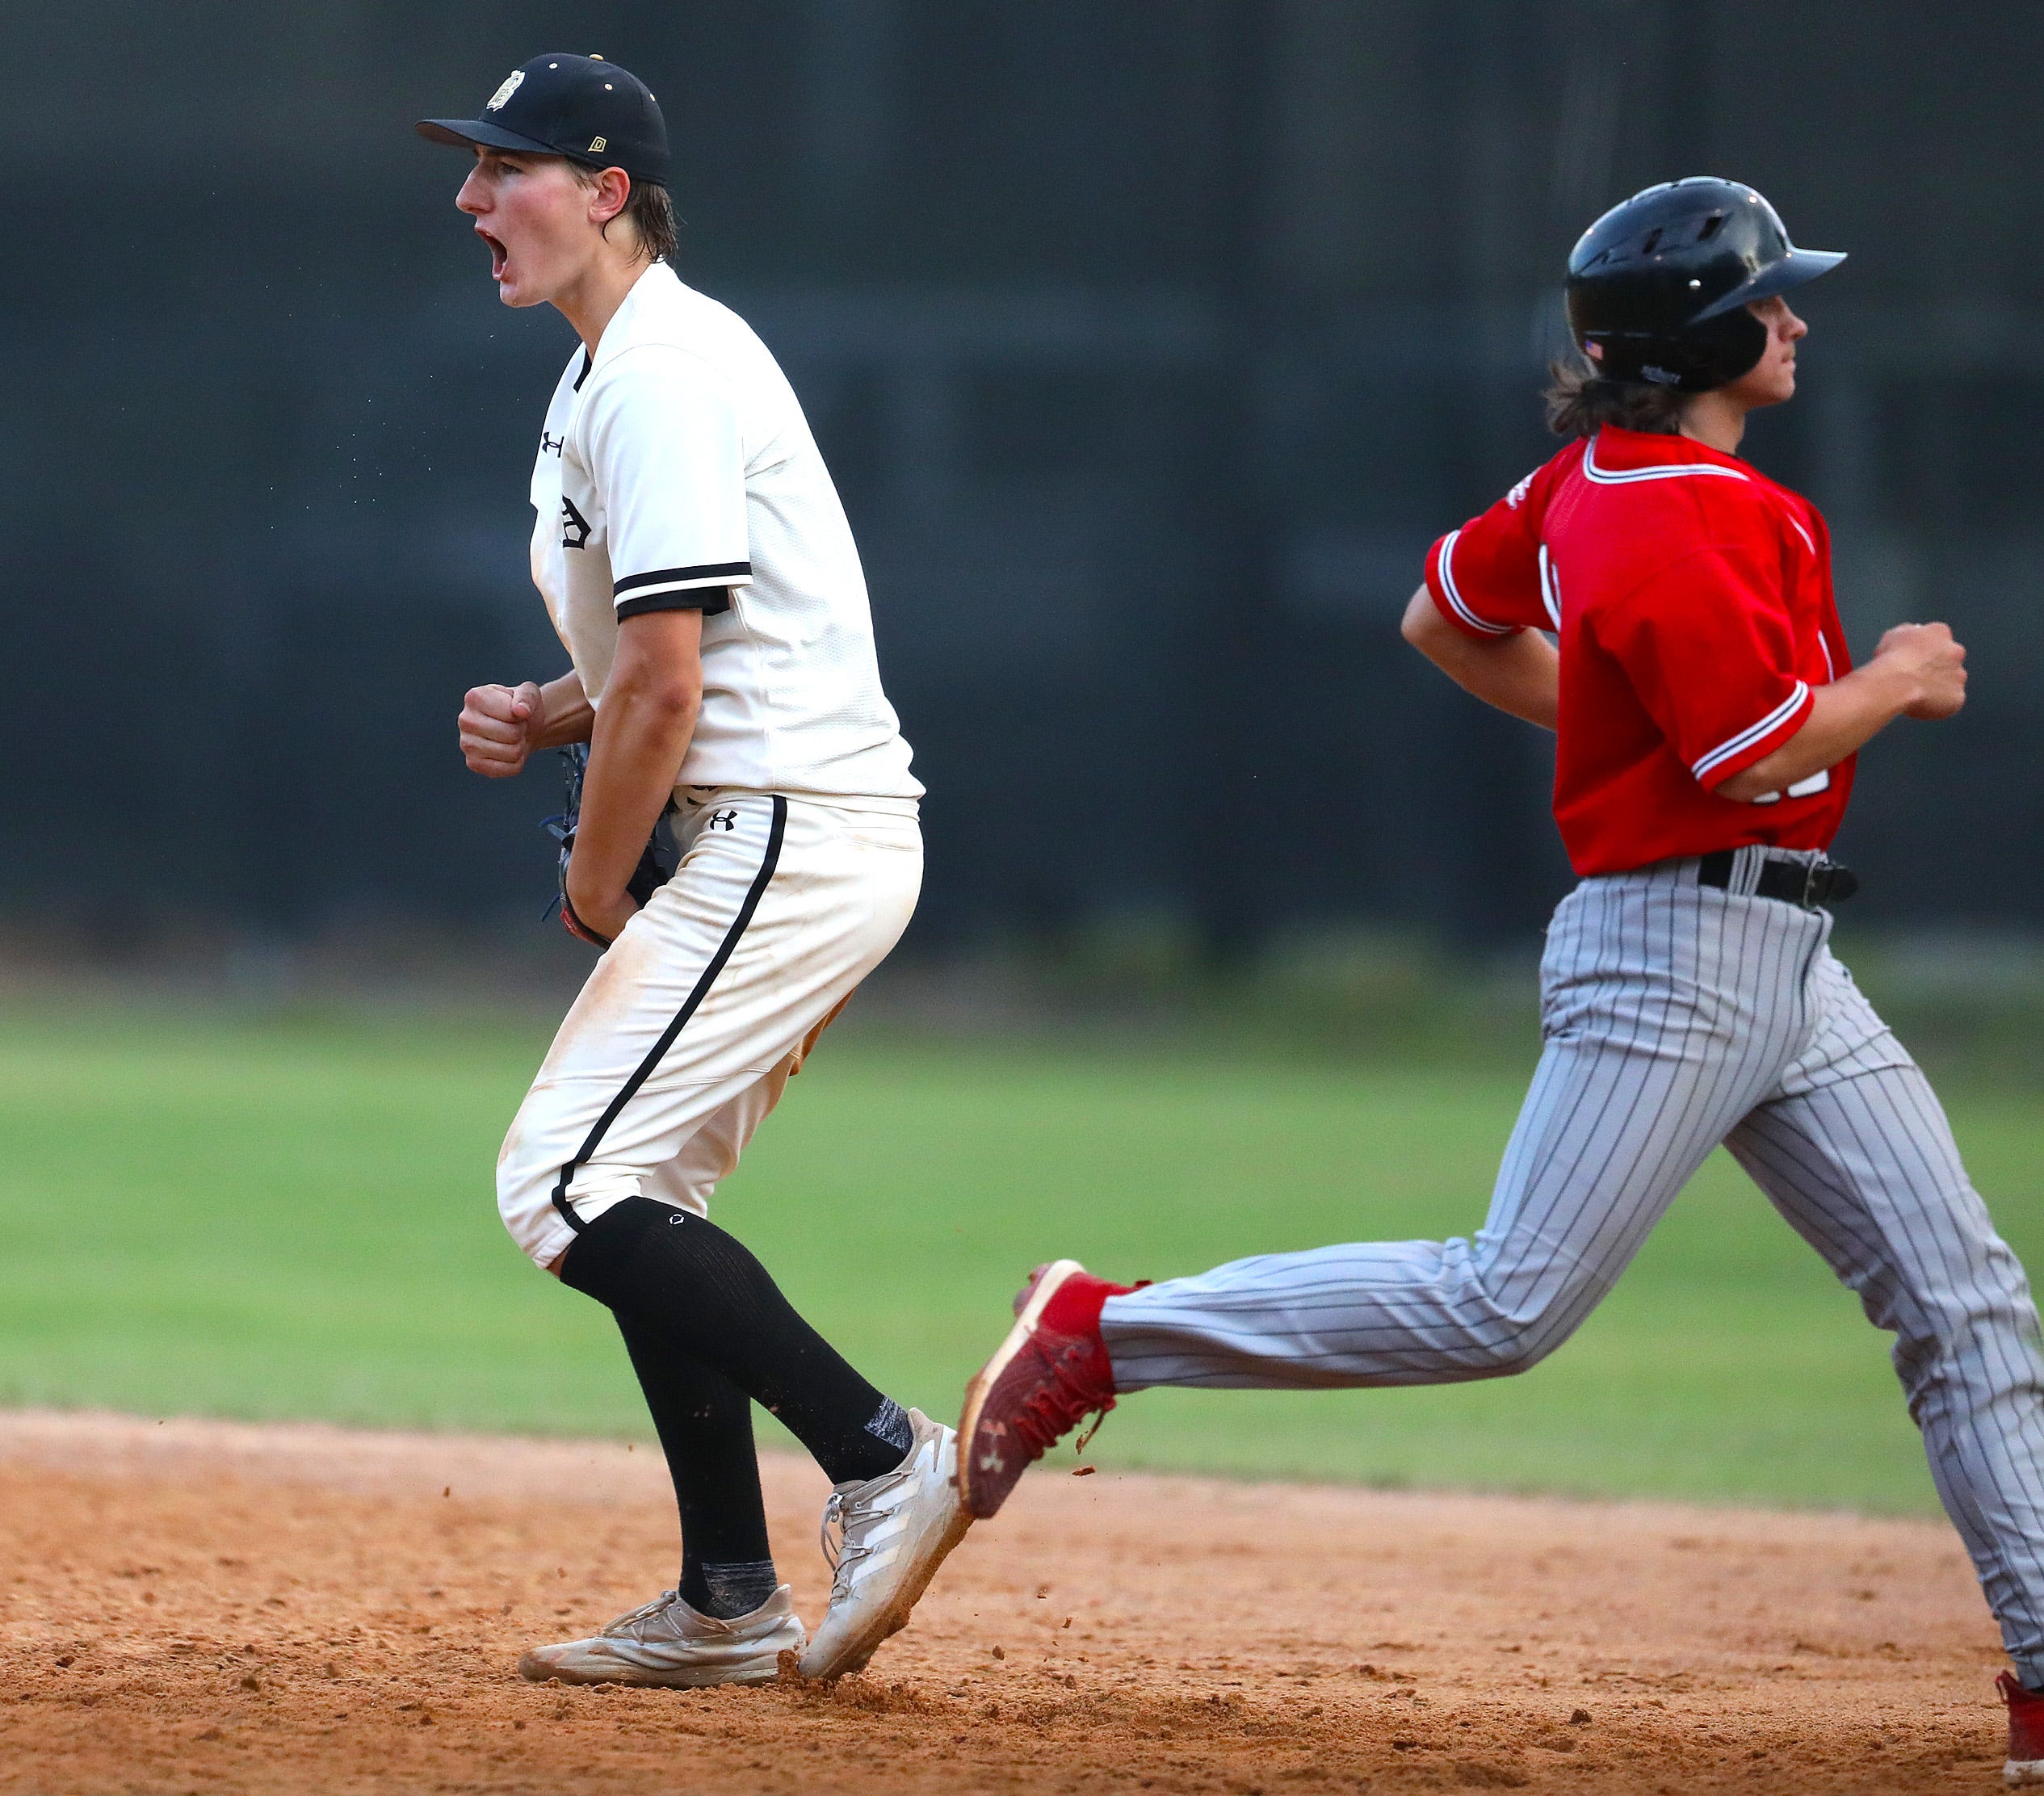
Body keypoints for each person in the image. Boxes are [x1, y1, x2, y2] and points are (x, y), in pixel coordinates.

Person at [951, 177, 2044, 1784]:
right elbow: (1750, 760)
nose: (1798, 317)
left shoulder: (1587, 477)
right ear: (1701, 334)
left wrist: (1619, 729)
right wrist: (1889, 682)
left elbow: (1441, 616)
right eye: (1774, 295)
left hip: (1787, 956)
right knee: (1506, 1298)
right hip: (1683, 946)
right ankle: (1107, 1332)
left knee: (1965, 1297)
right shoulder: (1696, 508)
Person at [420, 52, 968, 1687]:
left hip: (791, 823)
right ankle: (729, 1593)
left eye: (506, 167)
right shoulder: (615, 370)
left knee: (563, 1180)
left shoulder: (661, 365)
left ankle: (883, 1454)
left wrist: (595, 889)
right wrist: (557, 705)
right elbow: (679, 642)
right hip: (794, 820)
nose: (470, 200)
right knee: (639, 1180)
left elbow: (676, 684)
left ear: (605, 191)